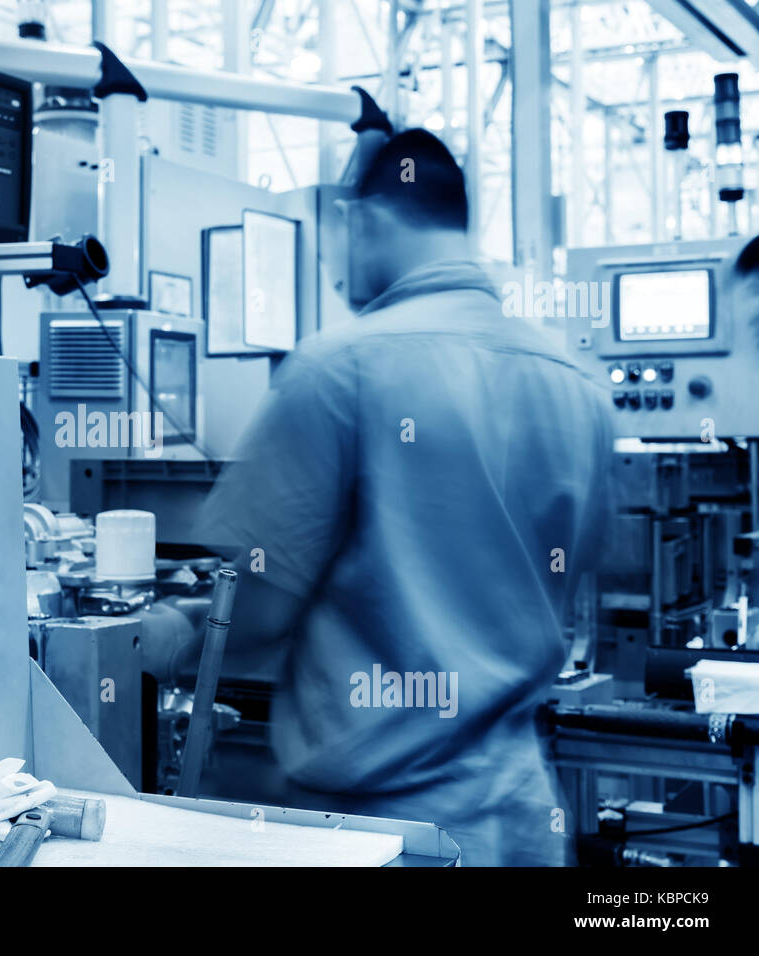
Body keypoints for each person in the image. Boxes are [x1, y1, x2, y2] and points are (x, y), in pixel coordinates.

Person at [196, 128, 614, 865]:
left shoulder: (340, 367)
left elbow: (252, 611)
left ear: (365, 220)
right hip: (521, 817)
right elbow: (569, 578)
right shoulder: (576, 383)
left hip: (382, 833)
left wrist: (169, 631)